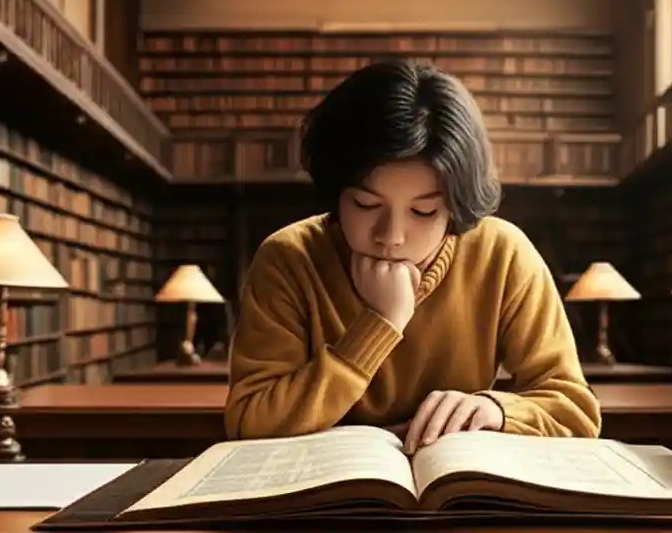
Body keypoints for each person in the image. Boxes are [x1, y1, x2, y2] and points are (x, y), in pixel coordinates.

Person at [224, 59, 600, 454]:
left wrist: (495, 410)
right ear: (336, 192)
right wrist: (381, 323)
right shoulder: (289, 258)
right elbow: (250, 421)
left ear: (456, 208)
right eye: (366, 204)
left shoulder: (503, 255)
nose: (392, 237)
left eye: (423, 212)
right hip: (323, 488)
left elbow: (575, 411)